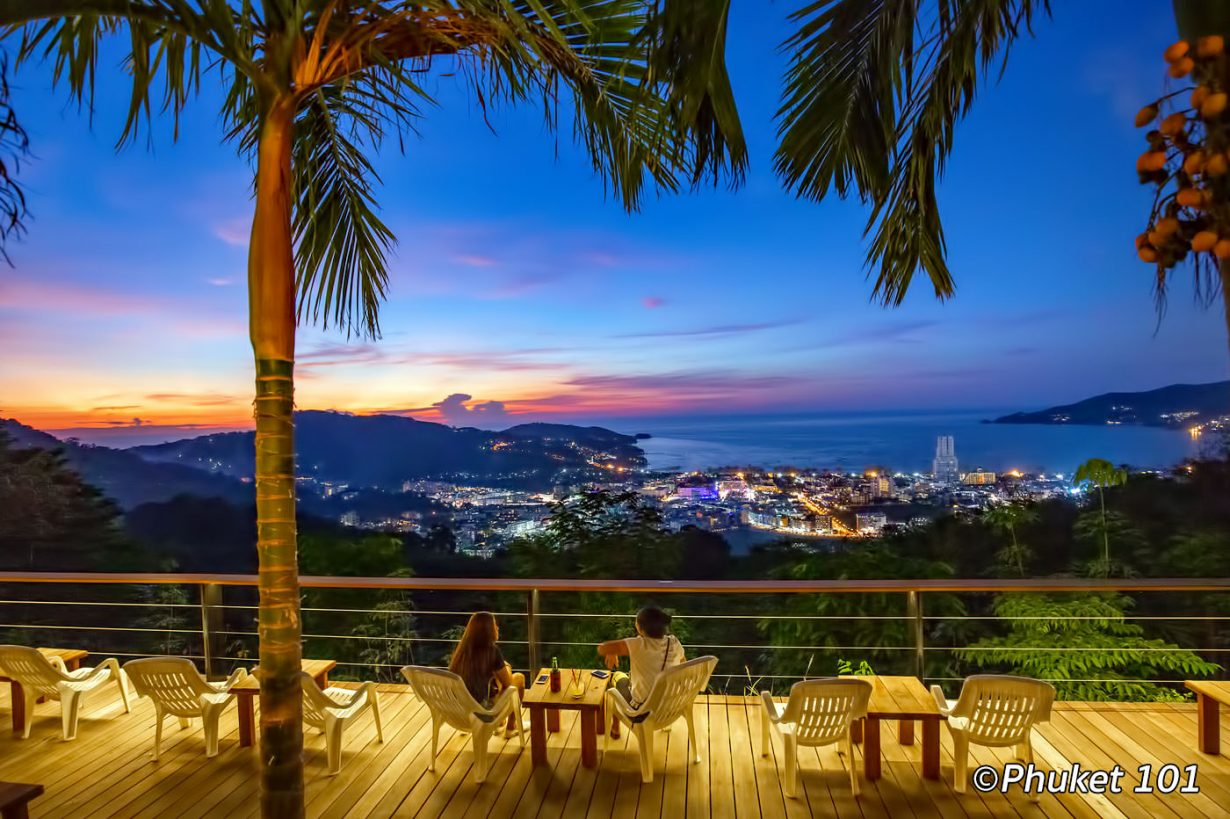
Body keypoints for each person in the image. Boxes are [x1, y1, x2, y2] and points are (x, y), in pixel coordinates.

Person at [449, 611, 525, 733]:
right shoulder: (492, 651)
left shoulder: (461, 652)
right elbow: (509, 684)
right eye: (495, 624)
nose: (497, 627)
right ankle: (511, 727)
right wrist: (507, 668)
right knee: (519, 678)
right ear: (488, 630)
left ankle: (502, 723)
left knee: (496, 679)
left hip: (458, 713)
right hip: (482, 714)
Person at [597, 605, 686, 708]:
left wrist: (612, 651)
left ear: (640, 628)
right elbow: (683, 664)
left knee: (617, 676)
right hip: (669, 706)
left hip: (642, 710)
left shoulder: (638, 645)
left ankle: (614, 723)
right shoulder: (674, 642)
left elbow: (602, 648)